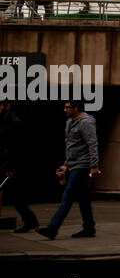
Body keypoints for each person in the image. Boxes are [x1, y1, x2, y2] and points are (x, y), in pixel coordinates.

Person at [37, 100, 100, 240]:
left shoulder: (86, 122)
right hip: (73, 164)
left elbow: (92, 144)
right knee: (83, 198)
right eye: (64, 107)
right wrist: (66, 164)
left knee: (67, 196)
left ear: (76, 108)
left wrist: (94, 166)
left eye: (68, 107)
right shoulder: (69, 122)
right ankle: (89, 228)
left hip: (82, 165)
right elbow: (70, 145)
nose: (65, 110)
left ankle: (52, 229)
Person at [0, 99, 39, 232]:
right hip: (6, 163)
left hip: (13, 165)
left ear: (7, 106)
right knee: (14, 195)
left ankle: (30, 221)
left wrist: (10, 168)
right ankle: (31, 221)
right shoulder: (4, 121)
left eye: (0, 105)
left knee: (15, 195)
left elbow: (15, 148)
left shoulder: (14, 123)